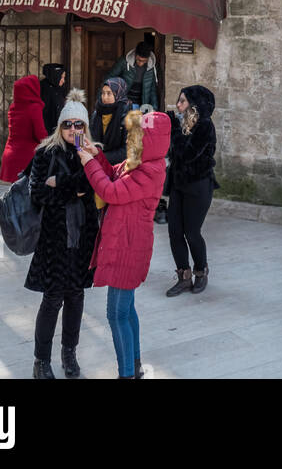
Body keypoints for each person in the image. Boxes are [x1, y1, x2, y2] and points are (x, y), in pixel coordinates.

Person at [78, 108, 170, 378]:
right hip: (124, 243)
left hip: (128, 248)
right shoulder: (139, 162)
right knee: (126, 309)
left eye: (137, 134)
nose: (132, 138)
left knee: (116, 313)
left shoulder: (151, 171)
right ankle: (134, 364)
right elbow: (113, 175)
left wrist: (87, 163)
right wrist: (97, 157)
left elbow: (110, 191)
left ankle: (127, 373)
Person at [25, 89, 98, 380]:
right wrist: (73, 188)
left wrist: (63, 183)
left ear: (84, 127)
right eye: (67, 124)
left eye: (78, 124)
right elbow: (38, 193)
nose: (72, 129)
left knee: (76, 296)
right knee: (53, 298)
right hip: (54, 239)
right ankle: (41, 360)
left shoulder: (90, 153)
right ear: (59, 126)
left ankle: (70, 353)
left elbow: (92, 186)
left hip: (82, 237)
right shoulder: (44, 153)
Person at [164, 85, 218, 295]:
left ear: (195, 105)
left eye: (183, 101)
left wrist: (173, 128)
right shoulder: (182, 123)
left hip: (198, 186)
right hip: (179, 185)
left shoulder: (205, 126)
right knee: (174, 231)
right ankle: (183, 276)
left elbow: (186, 154)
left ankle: (200, 272)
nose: (178, 105)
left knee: (192, 232)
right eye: (179, 100)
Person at [109, 33, 166, 222]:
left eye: (144, 60)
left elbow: (153, 91)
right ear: (135, 57)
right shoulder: (124, 62)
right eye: (139, 60)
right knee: (123, 137)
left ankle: (132, 169)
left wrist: (153, 111)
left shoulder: (152, 67)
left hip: (142, 106)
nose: (141, 63)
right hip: (126, 103)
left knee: (138, 139)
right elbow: (110, 79)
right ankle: (122, 170)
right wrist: (118, 97)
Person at [0, 74, 48, 182]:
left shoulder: (14, 106)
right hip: (26, 158)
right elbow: (40, 134)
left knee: (15, 195)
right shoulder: (34, 108)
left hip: (10, 155)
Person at [90, 77, 130, 165]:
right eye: (103, 93)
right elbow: (90, 138)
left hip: (119, 167)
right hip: (96, 163)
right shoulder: (97, 113)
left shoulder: (127, 116)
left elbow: (126, 151)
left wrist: (101, 157)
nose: (104, 97)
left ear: (118, 94)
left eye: (109, 94)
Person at [40, 63, 67, 134]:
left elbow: (79, 144)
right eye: (61, 77)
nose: (63, 81)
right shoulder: (44, 89)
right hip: (48, 133)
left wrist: (78, 144)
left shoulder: (77, 130)